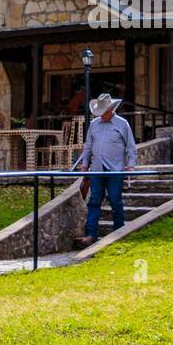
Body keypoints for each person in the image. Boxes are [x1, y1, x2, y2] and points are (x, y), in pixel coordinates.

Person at [74, 93, 137, 246]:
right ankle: (91, 234)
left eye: (103, 112)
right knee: (94, 201)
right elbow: (88, 146)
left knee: (115, 200)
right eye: (99, 113)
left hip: (115, 170)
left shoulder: (122, 124)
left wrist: (131, 165)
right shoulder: (94, 125)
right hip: (97, 170)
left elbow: (131, 147)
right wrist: (84, 164)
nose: (101, 116)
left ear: (111, 109)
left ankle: (119, 232)